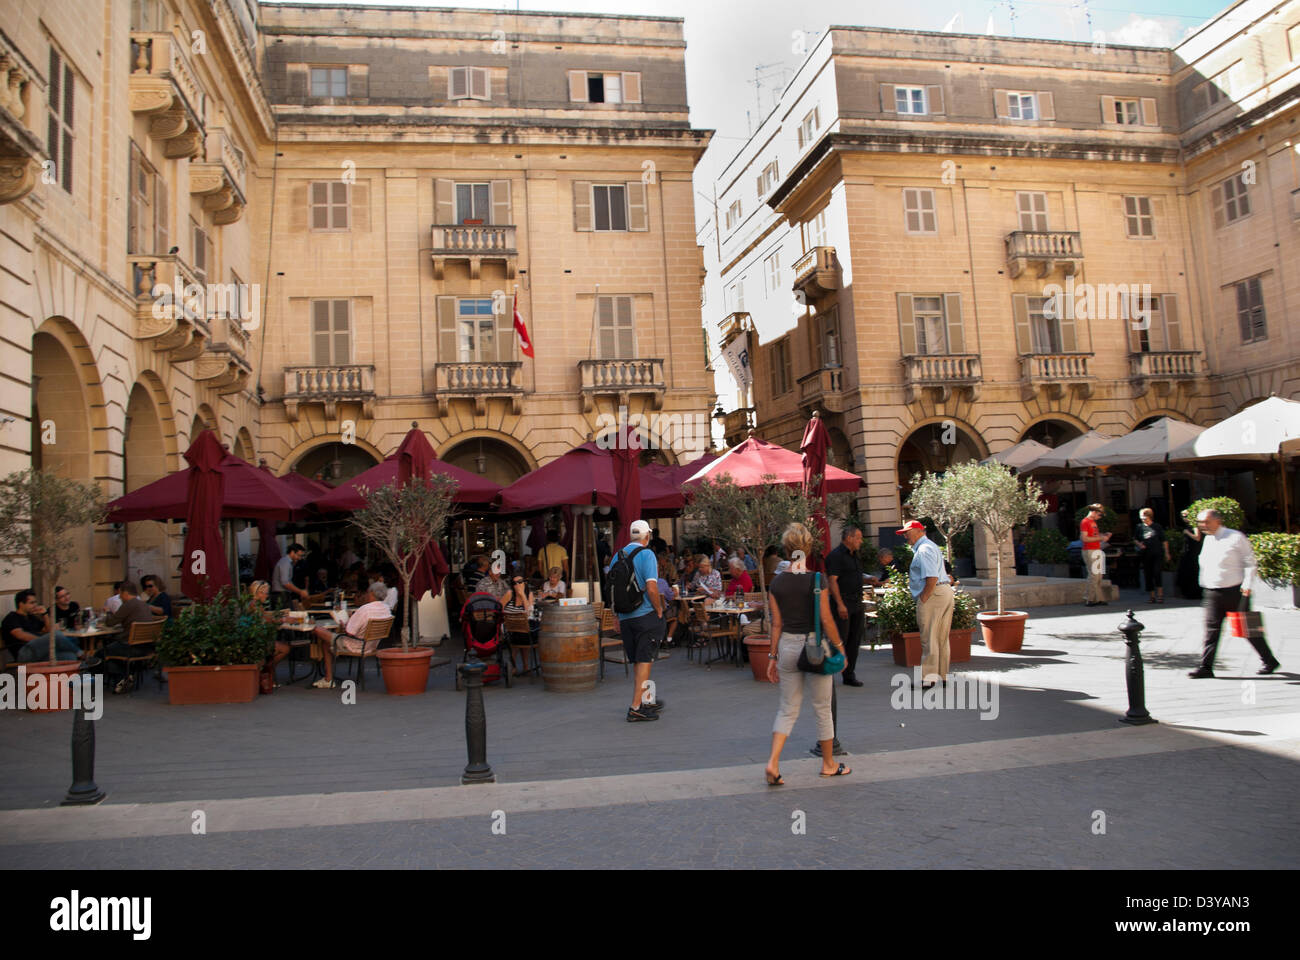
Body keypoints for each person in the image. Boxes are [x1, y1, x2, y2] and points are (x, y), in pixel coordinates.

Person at [763, 522, 849, 784]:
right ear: (808, 548)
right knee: (823, 708)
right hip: (814, 649)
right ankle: (828, 764)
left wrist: (771, 656)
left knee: (787, 708)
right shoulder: (816, 579)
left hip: (787, 646)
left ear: (787, 550)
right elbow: (826, 619)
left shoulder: (776, 583)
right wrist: (841, 649)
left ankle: (773, 763)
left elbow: (775, 624)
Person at [1189, 509, 1280, 679]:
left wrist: (1247, 585)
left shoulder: (1235, 537)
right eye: (1200, 522)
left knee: (1247, 629)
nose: (1202, 526)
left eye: (1206, 522)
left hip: (1235, 591)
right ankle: (1206, 667)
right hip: (1212, 592)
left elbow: (1250, 562)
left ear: (1217, 521)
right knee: (1211, 631)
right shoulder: (1208, 539)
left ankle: (1269, 660)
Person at [614, 519, 665, 722]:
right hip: (644, 615)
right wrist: (659, 609)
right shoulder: (647, 554)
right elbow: (652, 588)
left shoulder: (617, 556)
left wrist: (616, 615)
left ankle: (647, 698)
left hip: (625, 616)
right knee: (645, 660)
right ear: (647, 536)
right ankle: (636, 707)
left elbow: (613, 590)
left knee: (638, 660)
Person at [900, 519, 954, 689]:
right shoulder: (930, 546)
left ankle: (928, 678)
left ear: (918, 531)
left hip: (934, 594)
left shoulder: (923, 549)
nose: (905, 536)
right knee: (941, 637)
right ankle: (941, 676)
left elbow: (931, 577)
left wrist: (923, 597)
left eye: (907, 533)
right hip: (943, 592)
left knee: (929, 638)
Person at [311, 583, 392, 689]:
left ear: (371, 593)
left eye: (367, 592)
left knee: (317, 630)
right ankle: (327, 676)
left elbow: (349, 632)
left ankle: (328, 678)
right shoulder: (386, 609)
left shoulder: (365, 609)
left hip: (355, 645)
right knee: (328, 640)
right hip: (372, 645)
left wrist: (345, 622)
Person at [101, 580, 161, 692]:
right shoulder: (144, 605)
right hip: (148, 647)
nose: (120, 598)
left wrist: (108, 611)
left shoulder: (128, 605)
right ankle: (127, 676)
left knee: (103, 652)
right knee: (112, 648)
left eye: (120, 596)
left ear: (125, 593)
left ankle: (121, 678)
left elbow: (110, 622)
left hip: (131, 649)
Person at [825, 524, 866, 687]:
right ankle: (826, 672)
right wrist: (840, 604)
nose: (861, 541)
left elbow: (853, 575)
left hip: (857, 601)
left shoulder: (855, 555)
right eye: (858, 538)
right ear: (849, 538)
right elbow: (832, 581)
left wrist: (868, 579)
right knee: (839, 638)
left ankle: (849, 675)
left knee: (854, 640)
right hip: (843, 602)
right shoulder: (836, 556)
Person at [4, 589, 83, 664]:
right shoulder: (12, 617)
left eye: (35, 602)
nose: (35, 605)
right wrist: (44, 640)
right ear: (21, 604)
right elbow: (20, 635)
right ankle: (82, 655)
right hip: (24, 652)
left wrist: (45, 614)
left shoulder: (31, 617)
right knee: (56, 635)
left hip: (39, 652)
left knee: (70, 656)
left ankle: (80, 671)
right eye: (32, 603)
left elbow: (49, 630)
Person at [248, 580, 292, 681]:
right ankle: (267, 671)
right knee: (285, 648)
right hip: (254, 640)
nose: (267, 596)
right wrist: (283, 619)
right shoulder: (254, 605)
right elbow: (266, 619)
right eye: (266, 593)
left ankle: (267, 672)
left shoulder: (255, 604)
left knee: (279, 648)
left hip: (257, 638)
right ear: (259, 593)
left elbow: (265, 619)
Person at [1134, 508, 1170, 604]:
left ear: (1149, 517)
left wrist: (1167, 552)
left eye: (1144, 518)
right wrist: (1139, 544)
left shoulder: (1157, 527)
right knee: (1148, 574)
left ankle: (1160, 595)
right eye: (1141, 518)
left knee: (1157, 572)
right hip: (1146, 554)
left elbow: (1164, 540)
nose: (1143, 520)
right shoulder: (1139, 527)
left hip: (1157, 553)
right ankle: (1152, 596)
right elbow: (1135, 539)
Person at [1080, 504, 1112, 607]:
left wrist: (1103, 536)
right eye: (1100, 514)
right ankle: (1090, 598)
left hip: (1096, 549)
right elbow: (1084, 538)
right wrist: (1101, 538)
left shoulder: (1093, 522)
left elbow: (1092, 536)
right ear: (1094, 511)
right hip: (1090, 550)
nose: (1100, 517)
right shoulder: (1085, 522)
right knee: (1094, 575)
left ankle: (1098, 598)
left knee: (1099, 575)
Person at [1176, 510, 1203, 600]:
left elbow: (1197, 537)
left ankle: (1194, 593)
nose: (1184, 518)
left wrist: (1187, 533)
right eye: (1183, 516)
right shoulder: (1187, 526)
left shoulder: (1194, 526)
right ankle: (1187, 592)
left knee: (1193, 572)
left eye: (1186, 516)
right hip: (1187, 552)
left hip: (1194, 552)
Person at [273, 544, 309, 609]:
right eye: (298, 555)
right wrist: (300, 592)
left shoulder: (288, 562)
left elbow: (288, 582)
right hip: (281, 595)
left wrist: (299, 592)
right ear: (292, 552)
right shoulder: (285, 562)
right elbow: (285, 583)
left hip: (284, 594)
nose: (300, 558)